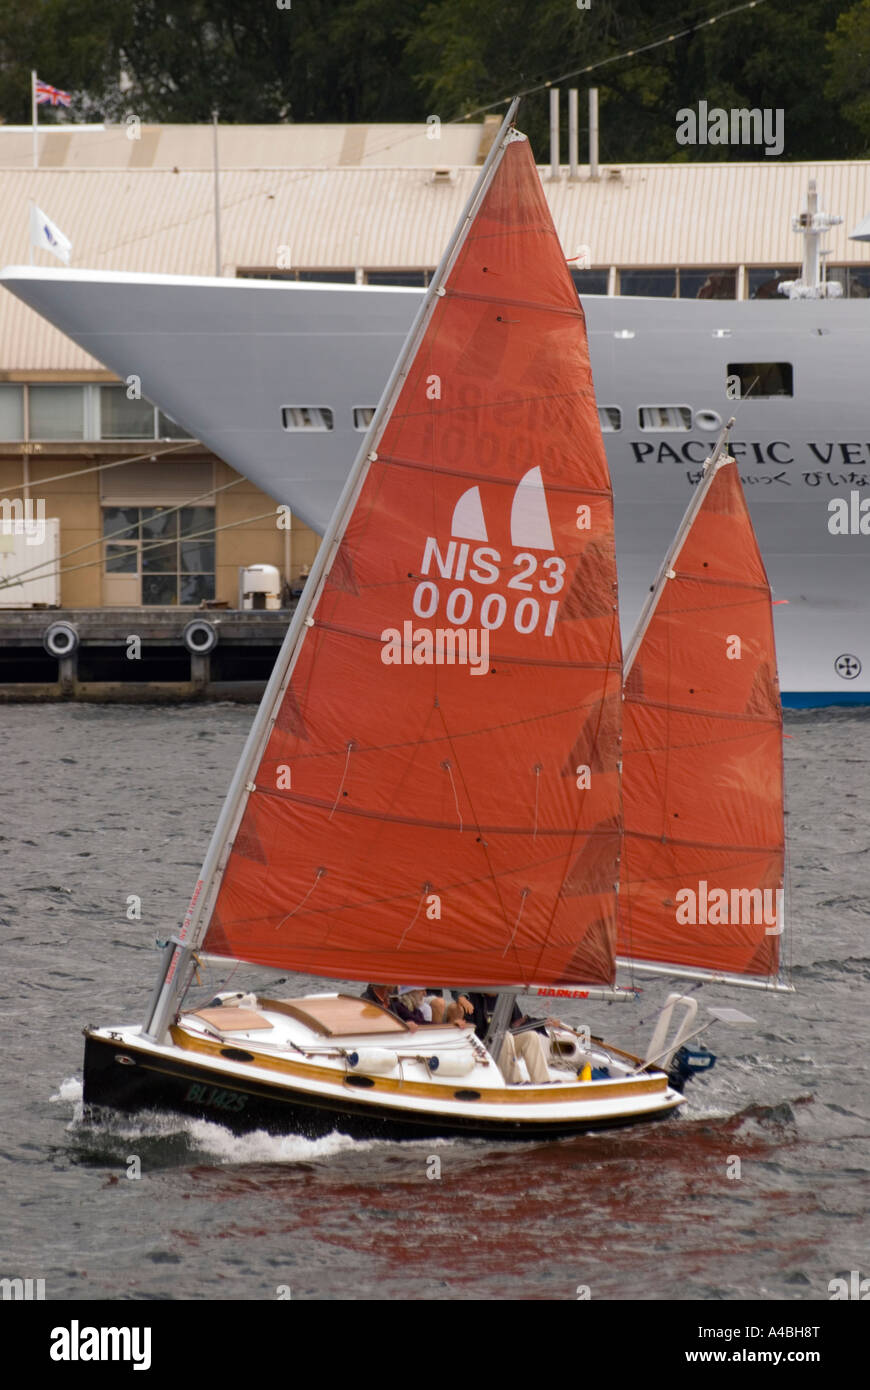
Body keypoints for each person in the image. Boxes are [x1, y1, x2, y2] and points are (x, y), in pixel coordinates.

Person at [464, 992, 552, 1085]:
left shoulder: (506, 998)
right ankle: (514, 1081)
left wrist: (543, 1022)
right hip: (483, 1049)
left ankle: (542, 1080)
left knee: (531, 1036)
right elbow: (469, 1031)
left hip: (505, 1048)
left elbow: (518, 1023)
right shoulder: (472, 998)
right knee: (504, 1035)